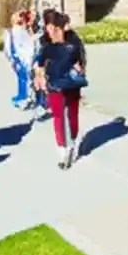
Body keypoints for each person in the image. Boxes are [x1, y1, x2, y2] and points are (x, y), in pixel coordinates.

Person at [34, 11, 87, 169]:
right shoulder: (45, 43)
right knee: (58, 115)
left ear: (61, 27)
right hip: (54, 84)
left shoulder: (73, 41)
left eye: (54, 28)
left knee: (72, 114)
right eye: (48, 28)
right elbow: (39, 64)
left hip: (71, 84)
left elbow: (80, 62)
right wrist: (40, 78)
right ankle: (63, 150)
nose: (51, 32)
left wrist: (80, 71)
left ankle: (72, 141)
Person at [3, 11, 36, 108]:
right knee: (25, 78)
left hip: (24, 58)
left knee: (24, 78)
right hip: (21, 58)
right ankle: (26, 97)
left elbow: (8, 48)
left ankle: (25, 98)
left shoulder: (21, 30)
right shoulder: (14, 31)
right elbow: (9, 47)